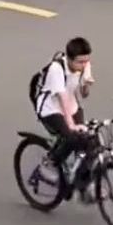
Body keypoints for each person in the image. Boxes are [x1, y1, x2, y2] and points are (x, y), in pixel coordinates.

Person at [34, 37, 95, 179]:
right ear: (69, 58)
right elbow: (62, 98)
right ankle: (50, 164)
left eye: (86, 61)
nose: (84, 65)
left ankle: (83, 183)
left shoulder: (85, 65)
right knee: (72, 138)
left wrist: (86, 85)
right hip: (51, 109)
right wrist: (71, 125)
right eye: (80, 62)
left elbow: (83, 95)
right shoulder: (56, 68)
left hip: (72, 105)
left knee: (89, 141)